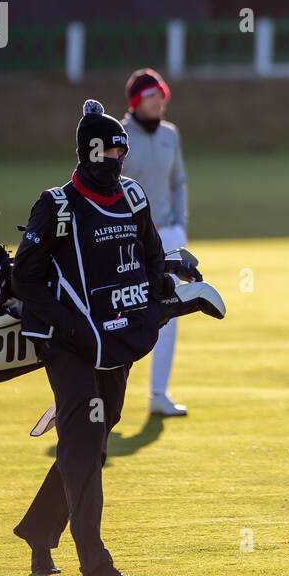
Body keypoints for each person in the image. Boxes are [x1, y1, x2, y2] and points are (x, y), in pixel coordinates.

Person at [10, 99, 168, 576]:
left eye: (121, 154)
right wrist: (69, 326)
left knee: (94, 442)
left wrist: (161, 302)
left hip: (115, 341)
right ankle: (95, 565)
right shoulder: (55, 206)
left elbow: (152, 260)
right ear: (88, 153)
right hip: (68, 347)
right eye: (109, 153)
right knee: (82, 446)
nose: (117, 162)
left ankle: (38, 531)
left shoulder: (135, 198)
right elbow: (25, 277)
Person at [120, 68, 190, 417]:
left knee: (169, 313)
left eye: (161, 94)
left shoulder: (170, 135)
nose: (159, 101)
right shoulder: (119, 136)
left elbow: (179, 181)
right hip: (128, 239)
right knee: (119, 315)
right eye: (151, 96)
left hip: (167, 233)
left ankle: (158, 394)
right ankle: (97, 393)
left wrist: (180, 224)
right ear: (136, 101)